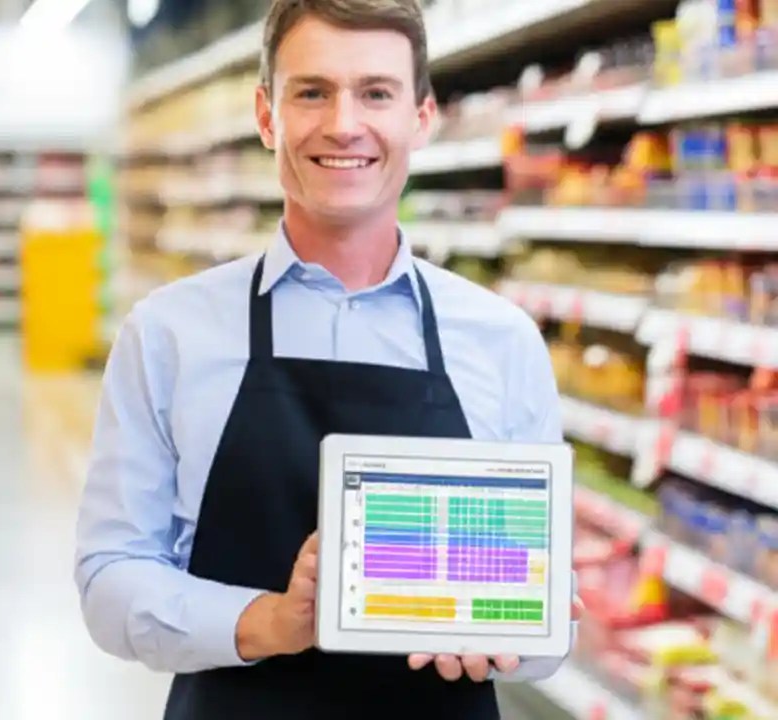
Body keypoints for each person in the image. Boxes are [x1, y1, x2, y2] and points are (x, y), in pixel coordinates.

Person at [74, 0, 578, 717]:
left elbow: (546, 623)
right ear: (266, 114)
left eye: (376, 93)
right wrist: (272, 621)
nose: (344, 124)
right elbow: (109, 578)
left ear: (422, 117)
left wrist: (510, 631)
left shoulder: (501, 340)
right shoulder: (170, 334)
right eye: (312, 91)